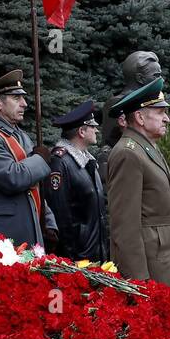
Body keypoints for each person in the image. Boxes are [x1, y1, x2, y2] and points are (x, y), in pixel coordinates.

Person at [106, 77, 170, 331]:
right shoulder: (128, 152)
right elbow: (124, 225)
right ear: (139, 117)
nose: (167, 118)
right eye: (160, 112)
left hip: (164, 258)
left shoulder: (145, 147)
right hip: (150, 264)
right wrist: (138, 281)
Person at [0, 69, 57, 250]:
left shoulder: (20, 135)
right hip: (1, 238)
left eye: (23, 98)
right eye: (16, 98)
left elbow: (33, 185)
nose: (24, 103)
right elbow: (13, 178)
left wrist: (47, 219)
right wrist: (40, 159)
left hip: (29, 229)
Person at [44, 100, 106, 263]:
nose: (96, 131)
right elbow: (61, 216)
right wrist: (72, 260)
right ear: (81, 131)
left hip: (94, 254)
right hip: (78, 259)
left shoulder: (88, 161)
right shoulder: (60, 162)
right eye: (93, 126)